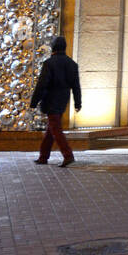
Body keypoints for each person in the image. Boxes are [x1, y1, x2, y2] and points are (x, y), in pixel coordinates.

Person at [30, 36, 82, 166]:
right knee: (51, 128)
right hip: (63, 99)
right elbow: (76, 86)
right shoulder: (72, 64)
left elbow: (42, 84)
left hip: (51, 99)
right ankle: (43, 156)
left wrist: (34, 101)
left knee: (55, 128)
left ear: (53, 47)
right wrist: (77, 103)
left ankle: (68, 155)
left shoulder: (49, 63)